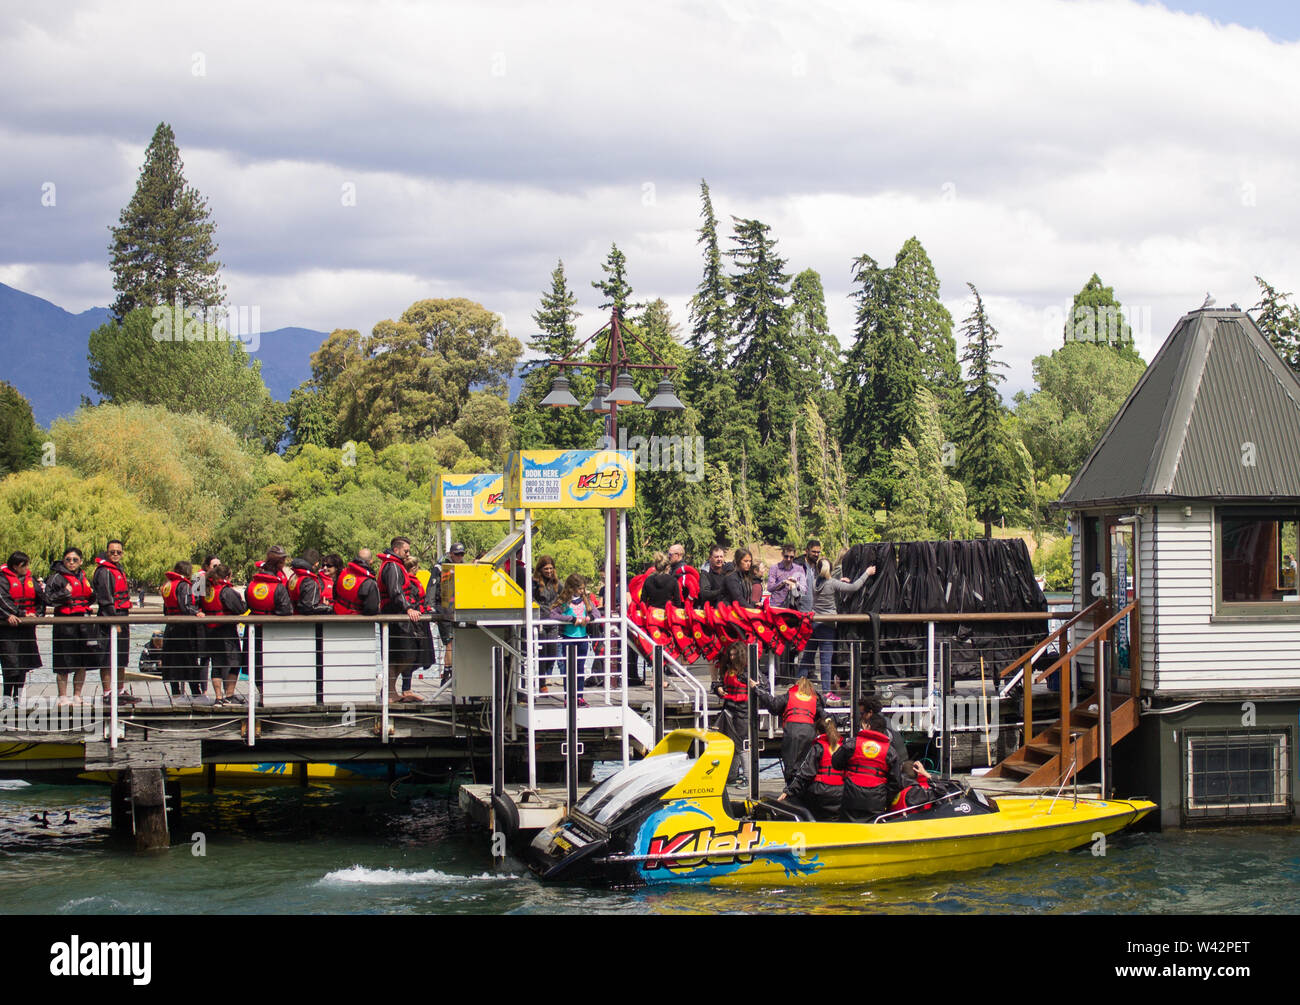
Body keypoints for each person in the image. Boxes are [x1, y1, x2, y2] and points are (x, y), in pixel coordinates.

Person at [802, 558, 876, 700]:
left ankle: (797, 686)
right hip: (827, 625)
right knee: (826, 660)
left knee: (807, 657)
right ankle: (826, 692)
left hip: (814, 622)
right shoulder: (832, 583)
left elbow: (827, 582)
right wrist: (867, 573)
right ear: (829, 570)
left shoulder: (814, 582)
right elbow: (854, 587)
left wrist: (838, 581)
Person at [831, 704, 905, 822]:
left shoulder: (852, 744)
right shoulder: (890, 752)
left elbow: (836, 762)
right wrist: (885, 798)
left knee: (847, 830)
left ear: (868, 726)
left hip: (851, 795)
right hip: (876, 798)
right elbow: (896, 783)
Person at [45, 547, 96, 706]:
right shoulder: (56, 578)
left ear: (80, 561)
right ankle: (62, 697)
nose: (71, 562)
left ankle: (77, 696)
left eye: (75, 560)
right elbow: (47, 599)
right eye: (68, 559)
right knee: (63, 661)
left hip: (83, 622)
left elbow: (89, 597)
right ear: (63, 561)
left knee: (82, 661)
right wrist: (65, 593)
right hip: (64, 622)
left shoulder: (84, 577)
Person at [91, 540, 140, 705]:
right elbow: (105, 598)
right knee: (107, 656)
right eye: (112, 552)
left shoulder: (118, 569)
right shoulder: (104, 571)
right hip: (110, 618)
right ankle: (108, 692)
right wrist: (115, 621)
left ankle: (120, 690)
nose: (116, 554)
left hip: (122, 615)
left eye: (118, 552)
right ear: (107, 553)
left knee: (121, 655)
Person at [377, 537, 423, 705]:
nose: (408, 554)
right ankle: (389, 692)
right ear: (396, 550)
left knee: (401, 655)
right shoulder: (393, 567)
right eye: (406, 551)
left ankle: (391, 691)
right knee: (402, 654)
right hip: (395, 615)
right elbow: (396, 591)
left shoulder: (394, 565)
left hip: (395, 613)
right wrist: (408, 608)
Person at [760, 674, 825, 786]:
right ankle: (802, 790)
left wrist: (759, 691)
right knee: (806, 764)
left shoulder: (789, 695)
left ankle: (790, 789)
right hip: (809, 731)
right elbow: (822, 714)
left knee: (790, 764)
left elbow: (774, 706)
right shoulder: (815, 699)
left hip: (792, 730)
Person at [196, 563, 246, 705]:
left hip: (210, 631)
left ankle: (218, 697)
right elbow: (239, 609)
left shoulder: (207, 589)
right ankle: (229, 696)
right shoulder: (226, 591)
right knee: (235, 662)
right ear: (227, 576)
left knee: (217, 664)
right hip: (226, 631)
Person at [0, 551, 45, 706]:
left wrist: (37, 614)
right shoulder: (3, 579)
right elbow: (2, 600)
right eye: (23, 565)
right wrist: (15, 614)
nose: (26, 567)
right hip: (8, 628)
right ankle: (6, 698)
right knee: (10, 663)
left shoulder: (30, 580)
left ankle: (18, 698)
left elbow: (41, 599)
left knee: (24, 663)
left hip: (26, 627)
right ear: (14, 566)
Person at [779, 716, 845, 821]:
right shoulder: (844, 746)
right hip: (841, 792)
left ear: (818, 732)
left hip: (821, 792)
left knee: (798, 799)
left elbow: (806, 773)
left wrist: (788, 791)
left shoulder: (818, 747)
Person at [549, 573, 596, 708]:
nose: (582, 591)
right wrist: (571, 619)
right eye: (580, 588)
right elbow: (553, 614)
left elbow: (596, 613)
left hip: (582, 639)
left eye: (583, 588)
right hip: (568, 639)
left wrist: (588, 619)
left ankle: (579, 696)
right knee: (569, 669)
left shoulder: (585, 600)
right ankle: (568, 697)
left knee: (580, 668)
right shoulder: (566, 602)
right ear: (572, 588)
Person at [711, 640, 755, 785]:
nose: (731, 657)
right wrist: (718, 688)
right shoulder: (727, 668)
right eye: (730, 655)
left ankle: (749, 779)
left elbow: (762, 686)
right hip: (728, 707)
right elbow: (718, 683)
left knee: (742, 743)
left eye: (734, 655)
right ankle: (731, 776)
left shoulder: (749, 670)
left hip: (743, 709)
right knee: (731, 743)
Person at [161, 560, 203, 701]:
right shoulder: (184, 585)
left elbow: (165, 609)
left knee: (173, 660)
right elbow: (185, 605)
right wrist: (197, 612)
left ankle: (176, 693)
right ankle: (196, 693)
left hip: (171, 626)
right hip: (184, 628)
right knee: (189, 659)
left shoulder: (168, 585)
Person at [402, 553, 435, 699]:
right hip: (413, 626)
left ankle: (406, 688)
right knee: (411, 656)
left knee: (415, 656)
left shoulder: (410, 581)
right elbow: (411, 600)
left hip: (418, 623)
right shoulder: (409, 582)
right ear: (414, 568)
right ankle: (406, 689)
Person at [533, 555, 562, 691]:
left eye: (551, 568)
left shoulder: (557, 583)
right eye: (546, 569)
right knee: (542, 654)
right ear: (540, 569)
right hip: (540, 622)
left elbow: (565, 596)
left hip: (554, 622)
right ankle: (541, 682)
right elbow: (532, 600)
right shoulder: (535, 583)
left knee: (552, 654)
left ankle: (542, 677)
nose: (549, 571)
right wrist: (544, 609)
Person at [767, 543, 807, 609]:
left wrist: (796, 584)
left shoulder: (799, 569)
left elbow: (804, 590)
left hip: (793, 608)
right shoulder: (774, 568)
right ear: (782, 554)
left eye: (791, 557)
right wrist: (783, 582)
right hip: (776, 607)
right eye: (786, 556)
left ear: (794, 556)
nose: (789, 559)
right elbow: (770, 588)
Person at [793, 540, 822, 614]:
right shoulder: (798, 565)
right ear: (807, 551)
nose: (816, 554)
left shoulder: (818, 568)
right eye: (813, 552)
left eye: (818, 552)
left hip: (814, 612)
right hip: (800, 612)